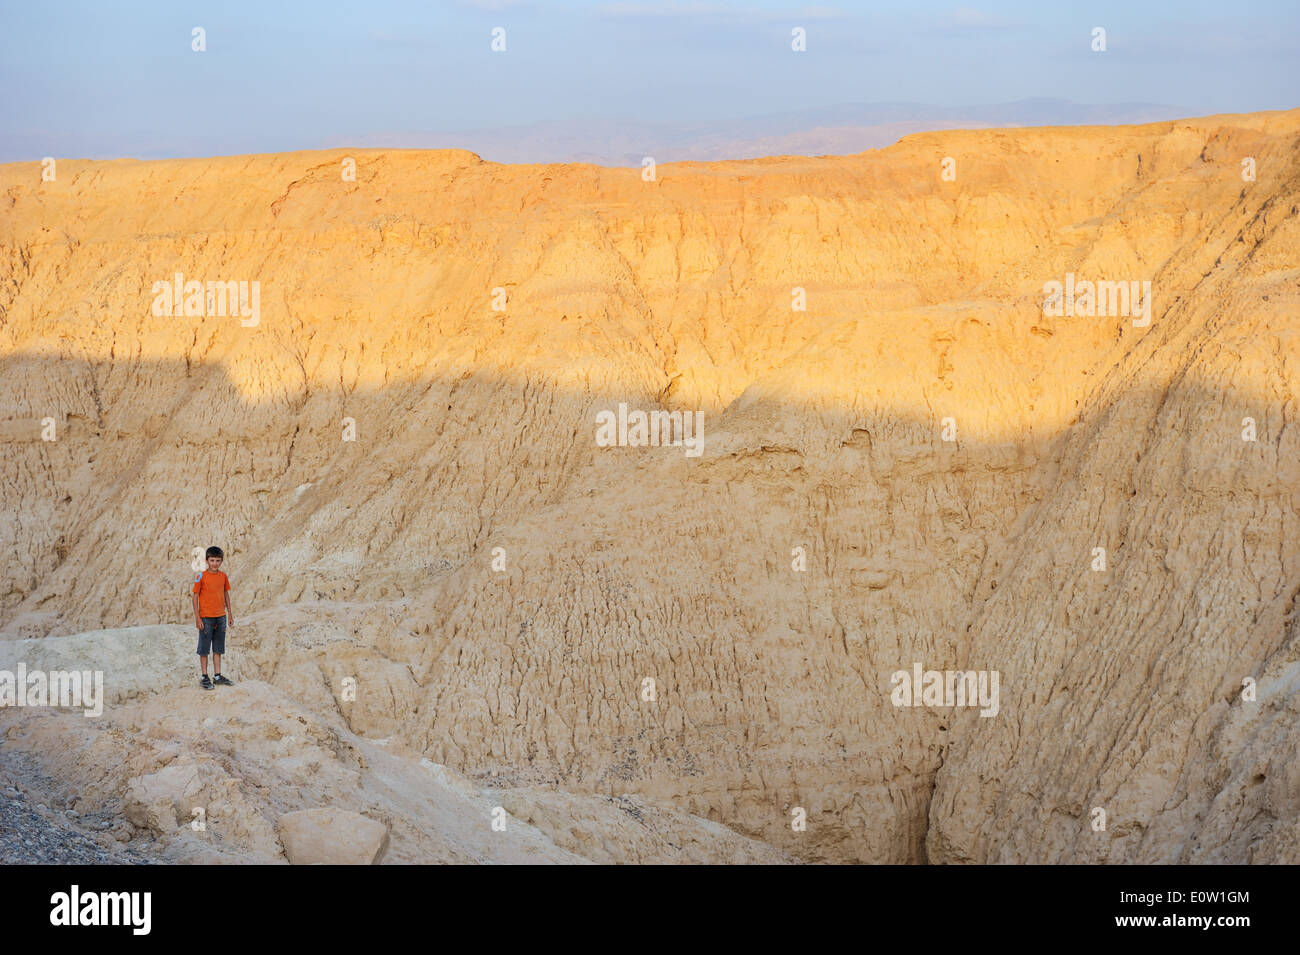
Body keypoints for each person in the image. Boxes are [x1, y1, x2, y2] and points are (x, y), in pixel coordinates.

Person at [192, 546, 235, 689]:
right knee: (204, 648)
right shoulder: (200, 576)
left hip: (220, 617)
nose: (215, 563)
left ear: (221, 561)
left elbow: (226, 594)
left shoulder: (223, 576)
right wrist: (198, 618)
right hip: (206, 618)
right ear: (207, 561)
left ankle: (217, 675)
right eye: (212, 560)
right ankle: (204, 676)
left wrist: (229, 614)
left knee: (218, 647)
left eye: (218, 561)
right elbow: (195, 597)